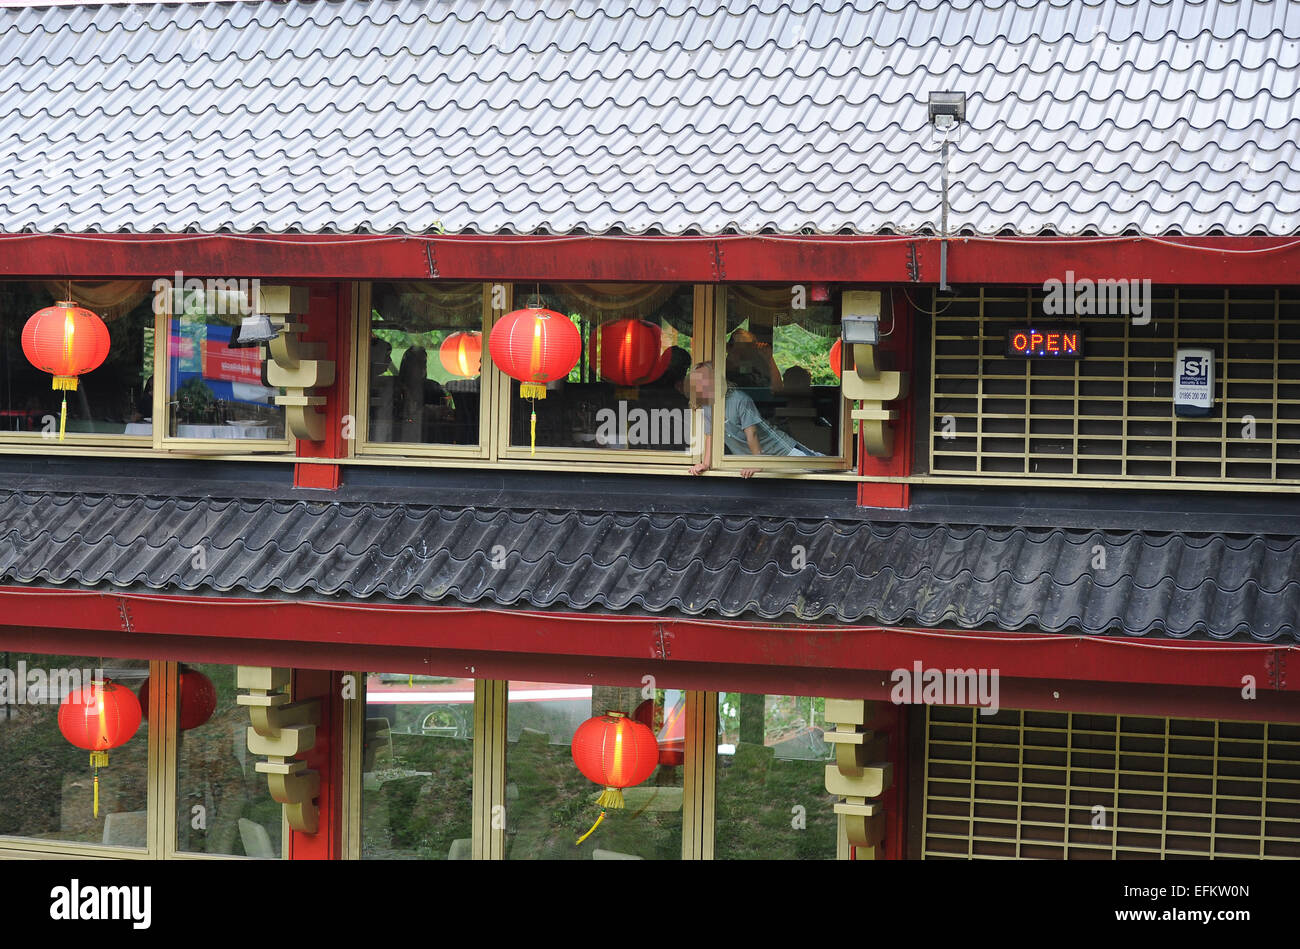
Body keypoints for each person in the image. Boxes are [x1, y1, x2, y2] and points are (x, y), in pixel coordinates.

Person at [687, 361, 821, 478]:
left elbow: (752, 433)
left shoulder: (739, 399)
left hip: (780, 450)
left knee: (821, 466)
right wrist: (705, 464)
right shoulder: (707, 405)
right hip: (756, 460)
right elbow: (711, 436)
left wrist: (757, 462)